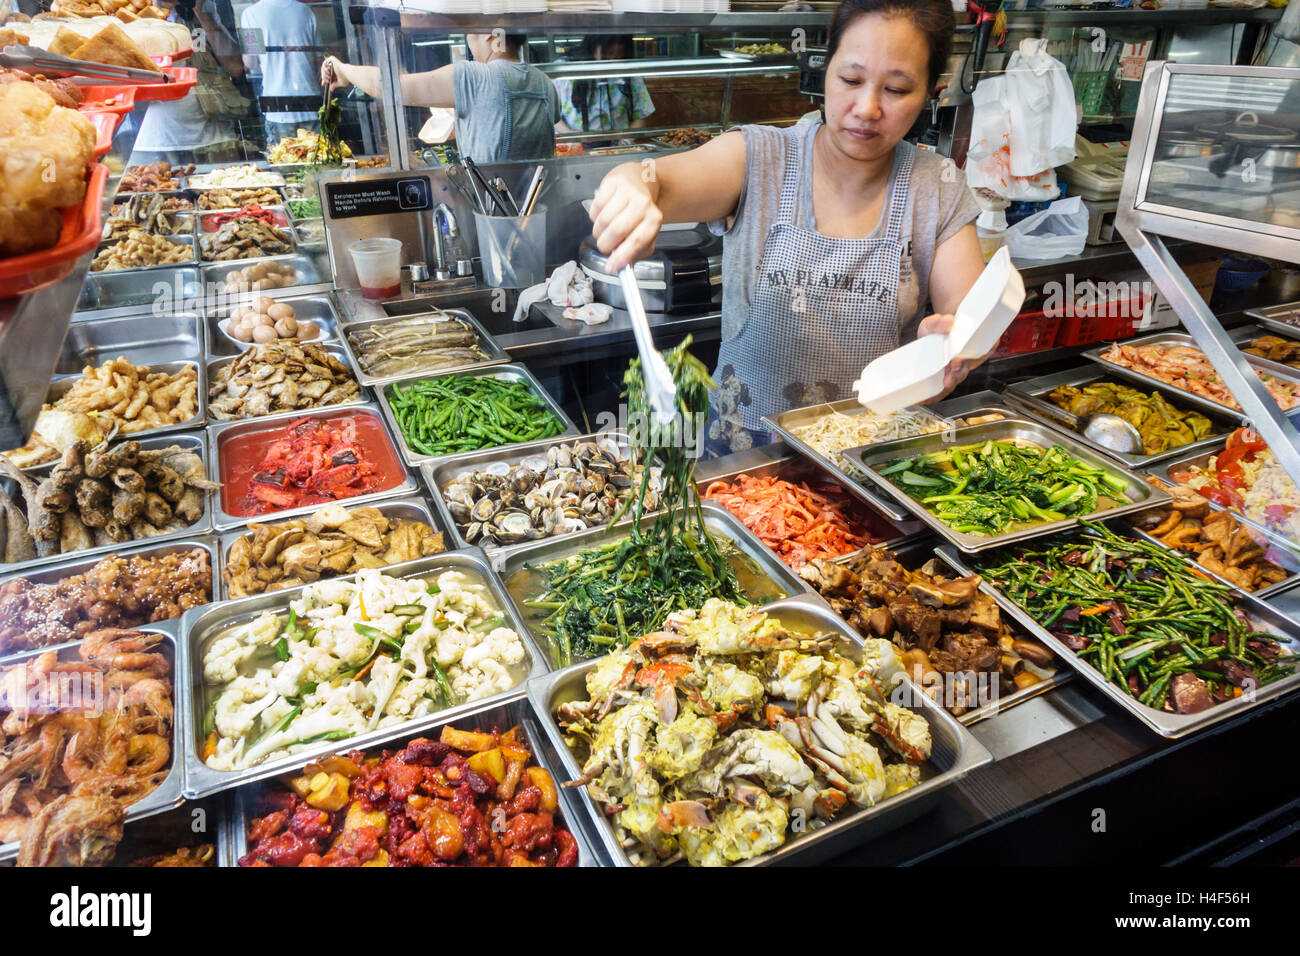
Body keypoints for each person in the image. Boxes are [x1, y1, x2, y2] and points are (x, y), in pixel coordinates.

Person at [589, 0, 986, 456]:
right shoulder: (759, 158)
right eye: (851, 80)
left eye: (897, 89)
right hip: (739, 460)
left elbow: (971, 321)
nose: (868, 107)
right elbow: (656, 180)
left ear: (930, 92)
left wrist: (950, 355)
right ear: (824, 69)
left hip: (869, 460)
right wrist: (631, 183)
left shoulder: (938, 187)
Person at [321, 32, 559, 163]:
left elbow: (392, 88)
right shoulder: (545, 83)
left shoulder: (473, 76)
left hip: (491, 206)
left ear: (489, 34)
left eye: (470, 31)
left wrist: (342, 69)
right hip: (539, 206)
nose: (468, 38)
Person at [130, 0, 253, 166]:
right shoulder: (136, 20)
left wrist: (201, 13)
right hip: (159, 140)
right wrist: (155, 11)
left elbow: (236, 68)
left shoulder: (197, 21)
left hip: (212, 140)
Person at [240, 0, 322, 145]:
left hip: (277, 106)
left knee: (284, 161)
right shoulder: (305, 10)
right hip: (311, 102)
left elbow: (250, 63)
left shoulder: (250, 14)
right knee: (319, 161)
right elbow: (318, 59)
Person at [554, 35, 654, 136]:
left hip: (619, 148)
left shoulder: (629, 73)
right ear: (593, 45)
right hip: (574, 149)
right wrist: (569, 134)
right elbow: (549, 115)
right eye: (607, 54)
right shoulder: (564, 71)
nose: (612, 62)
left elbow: (641, 117)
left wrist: (627, 139)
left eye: (618, 57)